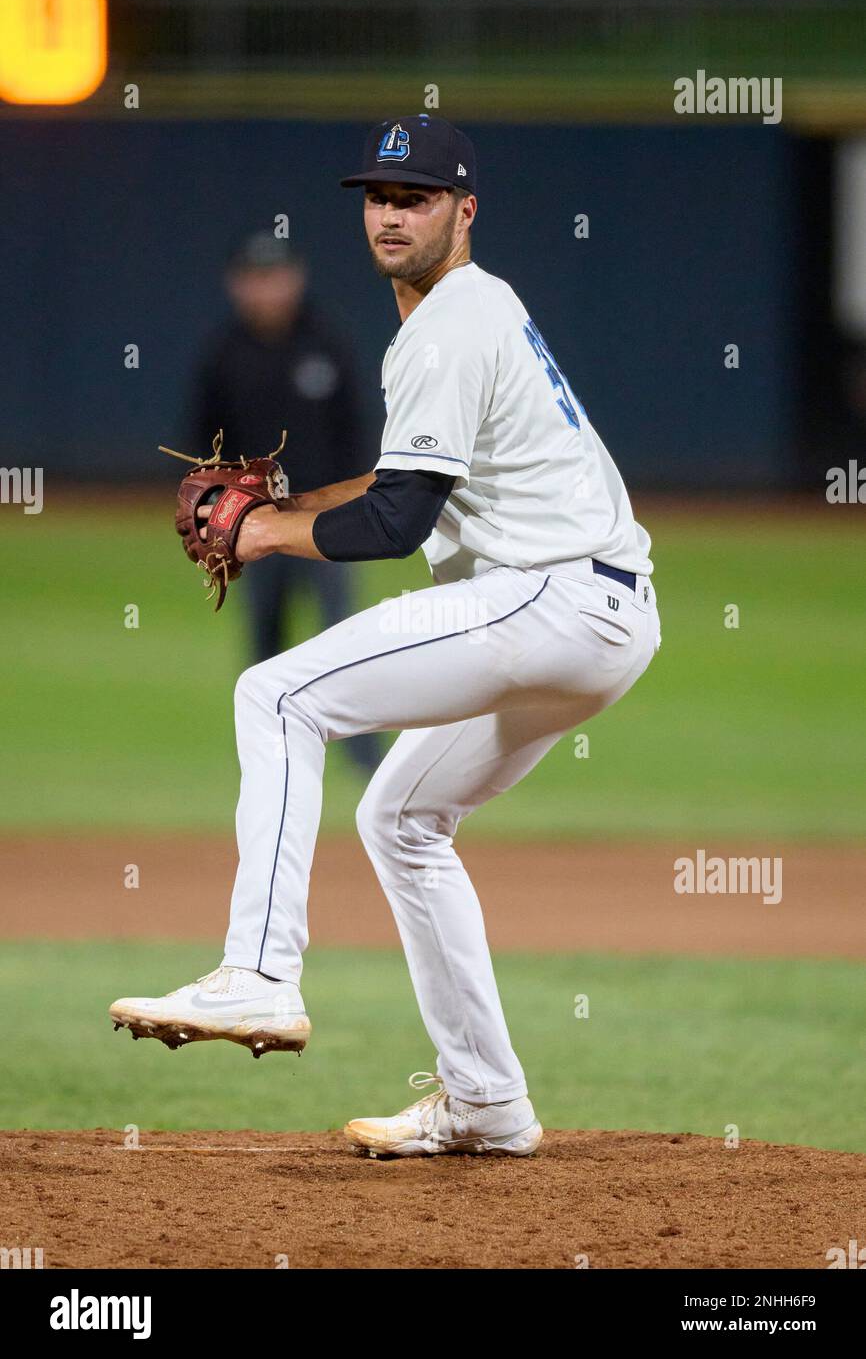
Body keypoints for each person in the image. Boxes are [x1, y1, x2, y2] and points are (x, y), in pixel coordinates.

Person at [111, 115, 661, 1160]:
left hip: (544, 596)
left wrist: (266, 527)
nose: (390, 214)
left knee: (274, 694)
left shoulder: (452, 320)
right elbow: (403, 483)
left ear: (463, 209)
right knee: (400, 820)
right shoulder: (471, 313)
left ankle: (259, 975)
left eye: (413, 197)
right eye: (376, 196)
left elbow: (399, 524)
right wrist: (289, 509)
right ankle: (487, 1101)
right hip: (601, 613)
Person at [187, 230, 380, 773]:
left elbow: (356, 430)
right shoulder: (223, 353)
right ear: (236, 285)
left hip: (328, 524)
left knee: (345, 639)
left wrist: (356, 509)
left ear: (296, 279)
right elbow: (203, 444)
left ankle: (365, 762)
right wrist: (217, 513)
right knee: (265, 643)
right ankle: (271, 755)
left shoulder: (326, 341)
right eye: (255, 277)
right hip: (254, 527)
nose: (267, 288)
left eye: (276, 276)